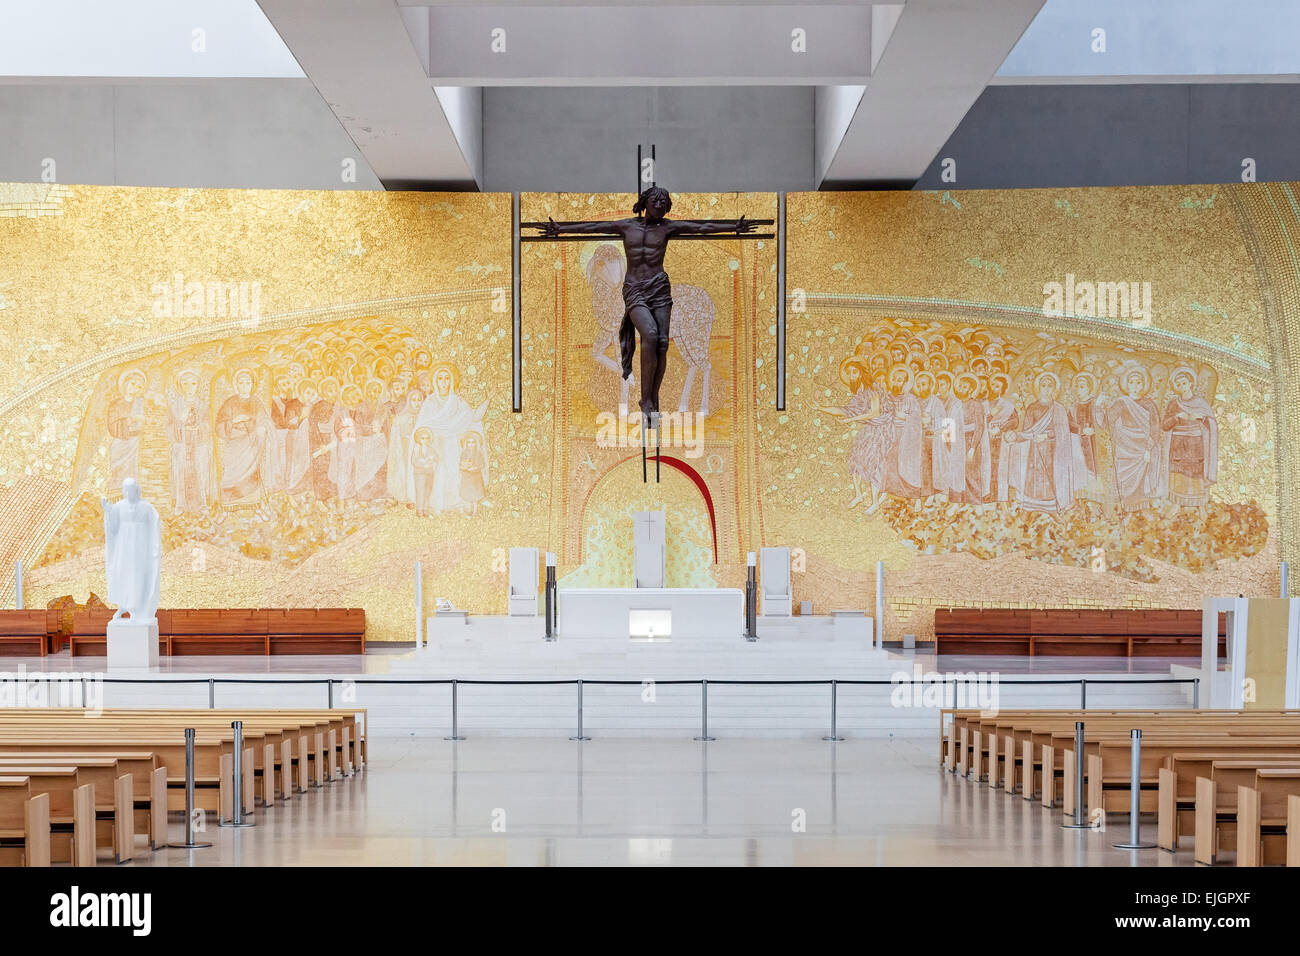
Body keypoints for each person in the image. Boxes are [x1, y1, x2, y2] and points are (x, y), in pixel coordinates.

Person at [543, 186, 754, 421]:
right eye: (657, 201)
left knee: (662, 343)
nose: (661, 205)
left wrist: (734, 227)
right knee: (650, 334)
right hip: (635, 290)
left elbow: (701, 227)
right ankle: (646, 400)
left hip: (660, 288)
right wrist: (560, 229)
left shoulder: (667, 228)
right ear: (645, 203)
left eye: (665, 202)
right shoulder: (627, 226)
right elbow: (593, 227)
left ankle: (652, 397)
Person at [102, 477, 162, 623]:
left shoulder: (146, 507)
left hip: (140, 549)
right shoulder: (118, 507)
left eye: (131, 490)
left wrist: (155, 546)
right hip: (124, 549)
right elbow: (113, 529)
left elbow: (155, 525)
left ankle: (137, 610)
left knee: (138, 577)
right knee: (123, 576)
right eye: (126, 490)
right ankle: (123, 608)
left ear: (137, 490)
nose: (128, 494)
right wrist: (108, 512)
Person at [1162, 365, 1218, 507]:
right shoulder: (1174, 404)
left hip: (1196, 444)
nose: (1182, 386)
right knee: (1178, 472)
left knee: (1195, 472)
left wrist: (1201, 417)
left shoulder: (1200, 403)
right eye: (1179, 384)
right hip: (1178, 443)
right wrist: (1176, 417)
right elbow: (1165, 425)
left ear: (1191, 383)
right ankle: (1176, 504)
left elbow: (1212, 424)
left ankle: (1200, 506)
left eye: (1184, 383)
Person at [165, 369, 215, 512]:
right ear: (180, 386)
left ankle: (201, 504)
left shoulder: (204, 406)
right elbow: (168, 426)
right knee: (181, 472)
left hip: (198, 445)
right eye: (185, 384)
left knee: (199, 471)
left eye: (193, 383)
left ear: (198, 386)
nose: (189, 387)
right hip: (181, 444)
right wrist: (179, 426)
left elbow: (208, 425)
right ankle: (181, 504)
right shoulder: (174, 406)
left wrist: (200, 429)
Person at [459, 431, 487, 515]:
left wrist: (475, 468)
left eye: (473, 442)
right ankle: (467, 510)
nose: (471, 445)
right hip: (466, 477)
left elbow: (482, 464)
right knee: (467, 494)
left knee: (475, 495)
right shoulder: (464, 453)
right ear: (466, 444)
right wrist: (463, 467)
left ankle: (474, 511)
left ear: (476, 443)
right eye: (469, 442)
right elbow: (461, 463)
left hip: (475, 478)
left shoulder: (478, 453)